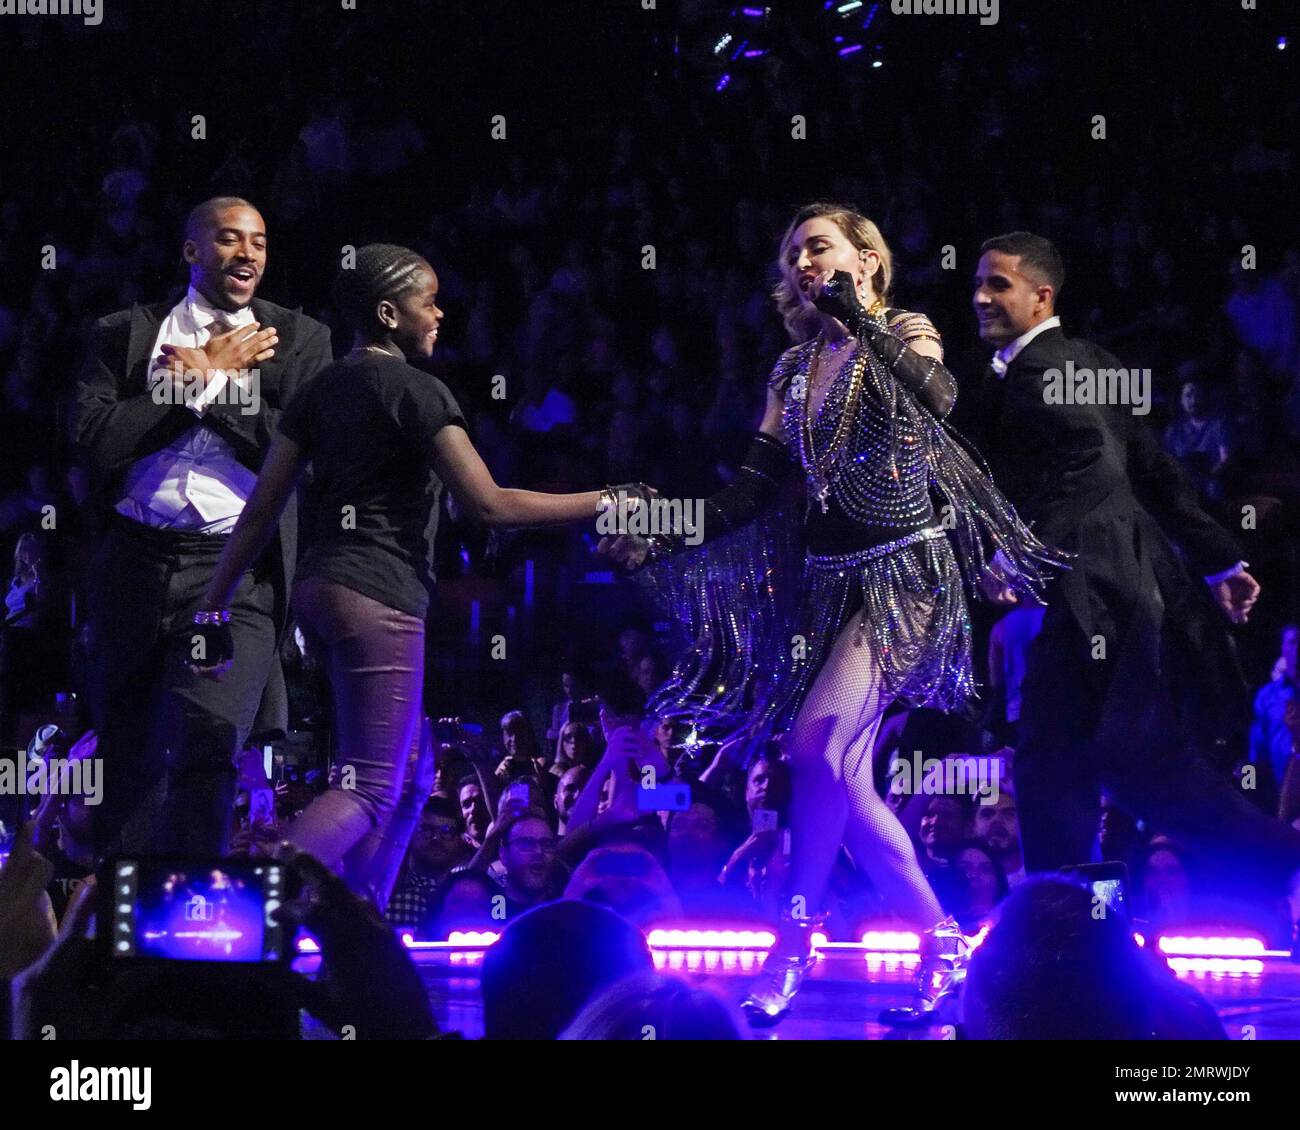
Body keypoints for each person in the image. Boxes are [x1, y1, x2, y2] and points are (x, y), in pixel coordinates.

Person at [600, 203, 1062, 1025]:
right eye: (793, 256)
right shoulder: (791, 371)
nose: (803, 264)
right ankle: (937, 938)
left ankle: (796, 939)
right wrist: (658, 528)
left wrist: (858, 317)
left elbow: (941, 399)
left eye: (819, 248)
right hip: (825, 585)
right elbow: (746, 493)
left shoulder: (909, 330)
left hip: (905, 574)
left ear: (868, 260)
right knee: (838, 771)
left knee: (813, 743)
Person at [191, 243, 652, 903]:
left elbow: (262, 508)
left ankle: (362, 924)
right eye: (427, 300)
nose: (439, 313)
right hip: (378, 596)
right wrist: (609, 500)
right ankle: (246, 900)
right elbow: (489, 504)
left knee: (411, 777)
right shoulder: (416, 389)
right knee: (374, 784)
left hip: (322, 596)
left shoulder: (318, 390)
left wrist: (214, 604)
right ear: (387, 312)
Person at [963, 232, 1300, 894]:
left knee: (1125, 758)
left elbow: (1099, 465)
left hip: (1103, 588)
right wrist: (1219, 561)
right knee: (1057, 757)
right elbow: (1151, 469)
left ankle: (1273, 863)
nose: (980, 296)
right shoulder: (1085, 361)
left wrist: (1019, 548)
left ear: (1042, 295)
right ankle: (1065, 917)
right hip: (1106, 585)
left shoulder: (1046, 369)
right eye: (977, 282)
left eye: (998, 284)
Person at [74, 196, 333, 857]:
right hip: (133, 562)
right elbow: (97, 441)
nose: (247, 252)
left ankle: (186, 930)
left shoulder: (299, 339)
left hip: (234, 575)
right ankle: (117, 930)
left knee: (207, 739)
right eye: (227, 238)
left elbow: (302, 448)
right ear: (192, 250)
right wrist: (183, 382)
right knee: (126, 749)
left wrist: (207, 382)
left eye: (260, 241)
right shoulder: (123, 333)